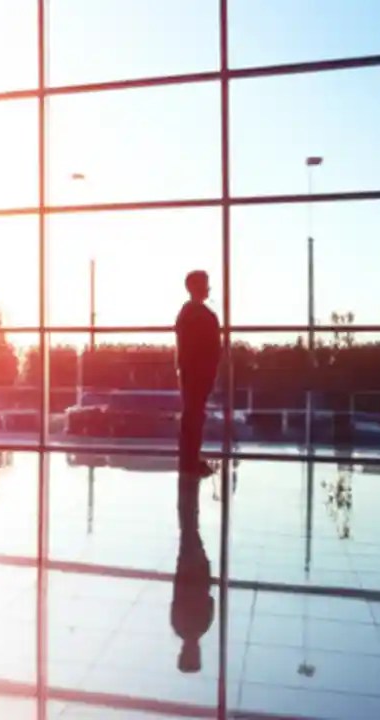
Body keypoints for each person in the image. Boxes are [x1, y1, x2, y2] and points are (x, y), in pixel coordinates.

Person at [174, 270, 220, 477]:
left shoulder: (187, 315)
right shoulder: (204, 316)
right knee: (194, 416)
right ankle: (191, 460)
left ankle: (189, 460)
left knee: (191, 416)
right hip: (198, 373)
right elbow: (212, 348)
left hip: (190, 371)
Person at [171, 472, 215, 673]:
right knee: (189, 530)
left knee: (190, 531)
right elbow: (176, 597)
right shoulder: (180, 626)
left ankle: (189, 488)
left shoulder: (202, 626)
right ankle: (188, 489)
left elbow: (209, 601)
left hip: (196, 575)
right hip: (187, 572)